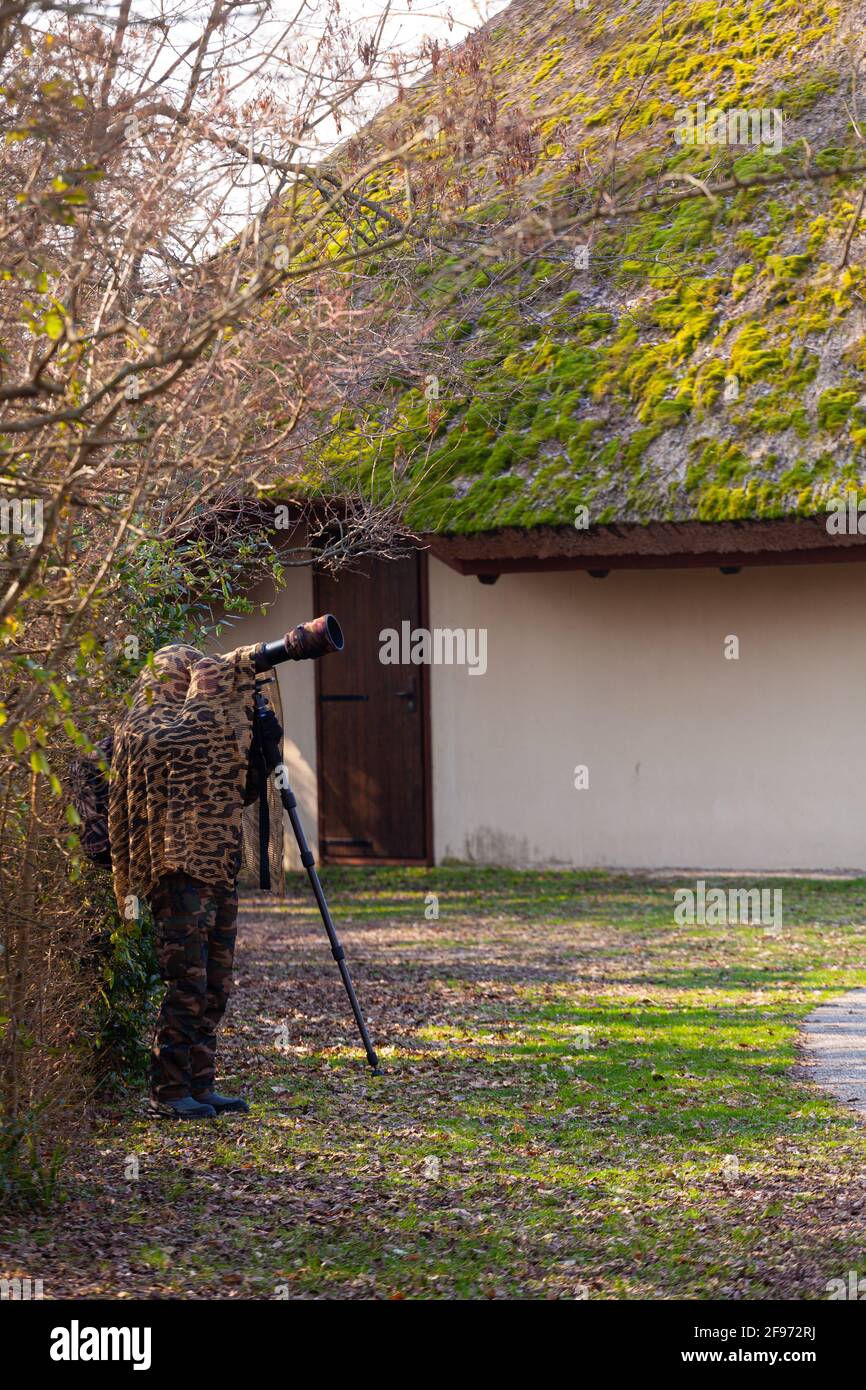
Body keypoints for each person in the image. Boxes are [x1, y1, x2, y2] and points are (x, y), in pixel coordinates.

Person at [107, 643, 284, 1120]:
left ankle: (200, 1083)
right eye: (183, 672)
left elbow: (239, 790)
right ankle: (167, 1090)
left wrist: (261, 748)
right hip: (175, 870)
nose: (191, 679)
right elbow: (175, 743)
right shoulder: (144, 727)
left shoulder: (205, 726)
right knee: (188, 979)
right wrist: (210, 701)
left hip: (218, 863)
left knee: (217, 983)